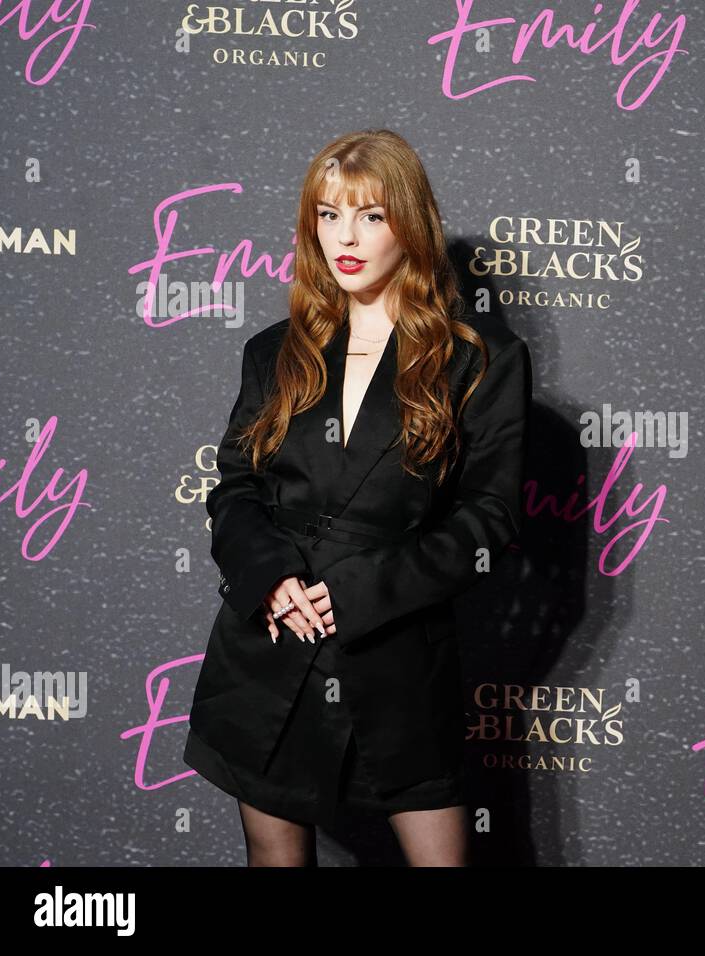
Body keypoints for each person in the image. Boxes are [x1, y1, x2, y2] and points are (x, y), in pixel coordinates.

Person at [181, 128, 531, 867]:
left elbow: (488, 519)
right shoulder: (275, 350)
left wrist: (359, 591)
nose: (346, 237)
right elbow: (236, 486)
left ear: (410, 221)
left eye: (371, 216)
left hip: (395, 655)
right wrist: (270, 579)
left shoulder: (482, 358)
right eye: (328, 214)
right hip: (271, 649)